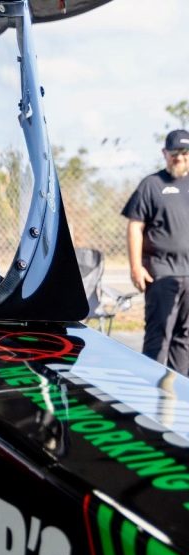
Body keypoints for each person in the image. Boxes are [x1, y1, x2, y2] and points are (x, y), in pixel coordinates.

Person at [122, 128, 189, 372]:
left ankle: (181, 397)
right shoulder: (152, 184)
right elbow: (135, 227)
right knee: (158, 339)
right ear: (164, 153)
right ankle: (150, 397)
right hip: (160, 273)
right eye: (174, 153)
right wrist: (136, 267)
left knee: (185, 340)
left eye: (184, 152)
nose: (179, 158)